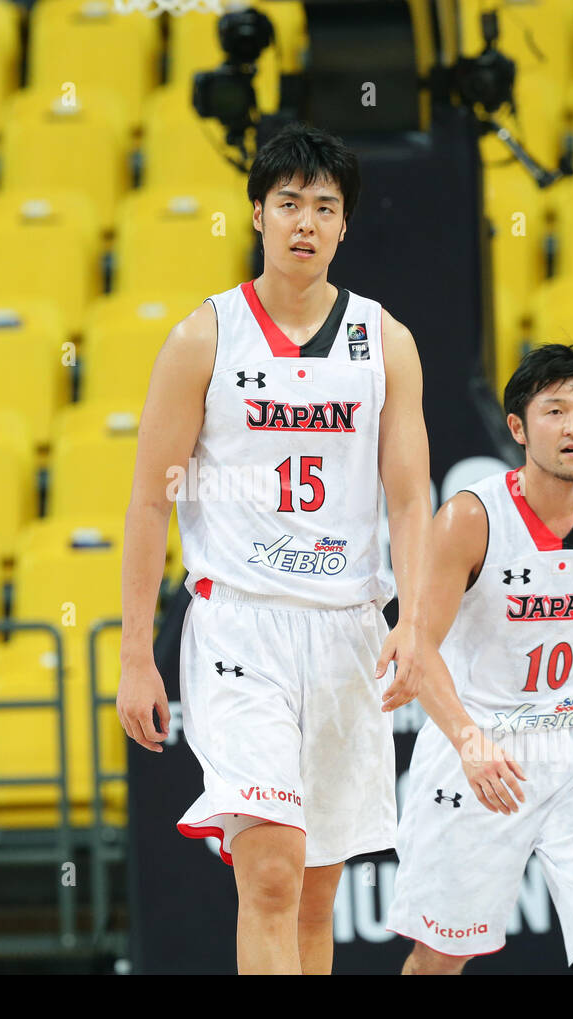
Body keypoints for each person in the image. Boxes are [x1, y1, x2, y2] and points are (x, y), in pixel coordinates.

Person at [116, 123, 432, 975]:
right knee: (270, 874)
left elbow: (410, 495)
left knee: (316, 894)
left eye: (323, 207)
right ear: (257, 212)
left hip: (347, 629)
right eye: (288, 202)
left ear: (343, 227)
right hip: (238, 629)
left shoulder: (384, 341)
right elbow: (150, 499)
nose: (304, 221)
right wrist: (136, 654)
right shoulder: (203, 337)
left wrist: (418, 621)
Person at [387, 344, 573, 974]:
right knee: (438, 958)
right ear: (518, 428)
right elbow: (418, 642)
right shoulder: (469, 519)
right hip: (484, 747)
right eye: (555, 411)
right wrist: (467, 740)